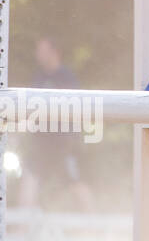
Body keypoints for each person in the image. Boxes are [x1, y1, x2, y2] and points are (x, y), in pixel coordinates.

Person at [18, 37, 95, 212]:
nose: (38, 55)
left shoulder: (67, 77)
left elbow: (76, 110)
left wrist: (71, 139)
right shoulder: (38, 78)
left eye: (43, 51)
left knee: (75, 181)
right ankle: (21, 229)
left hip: (63, 143)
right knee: (29, 177)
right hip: (42, 142)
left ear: (54, 53)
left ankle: (92, 226)